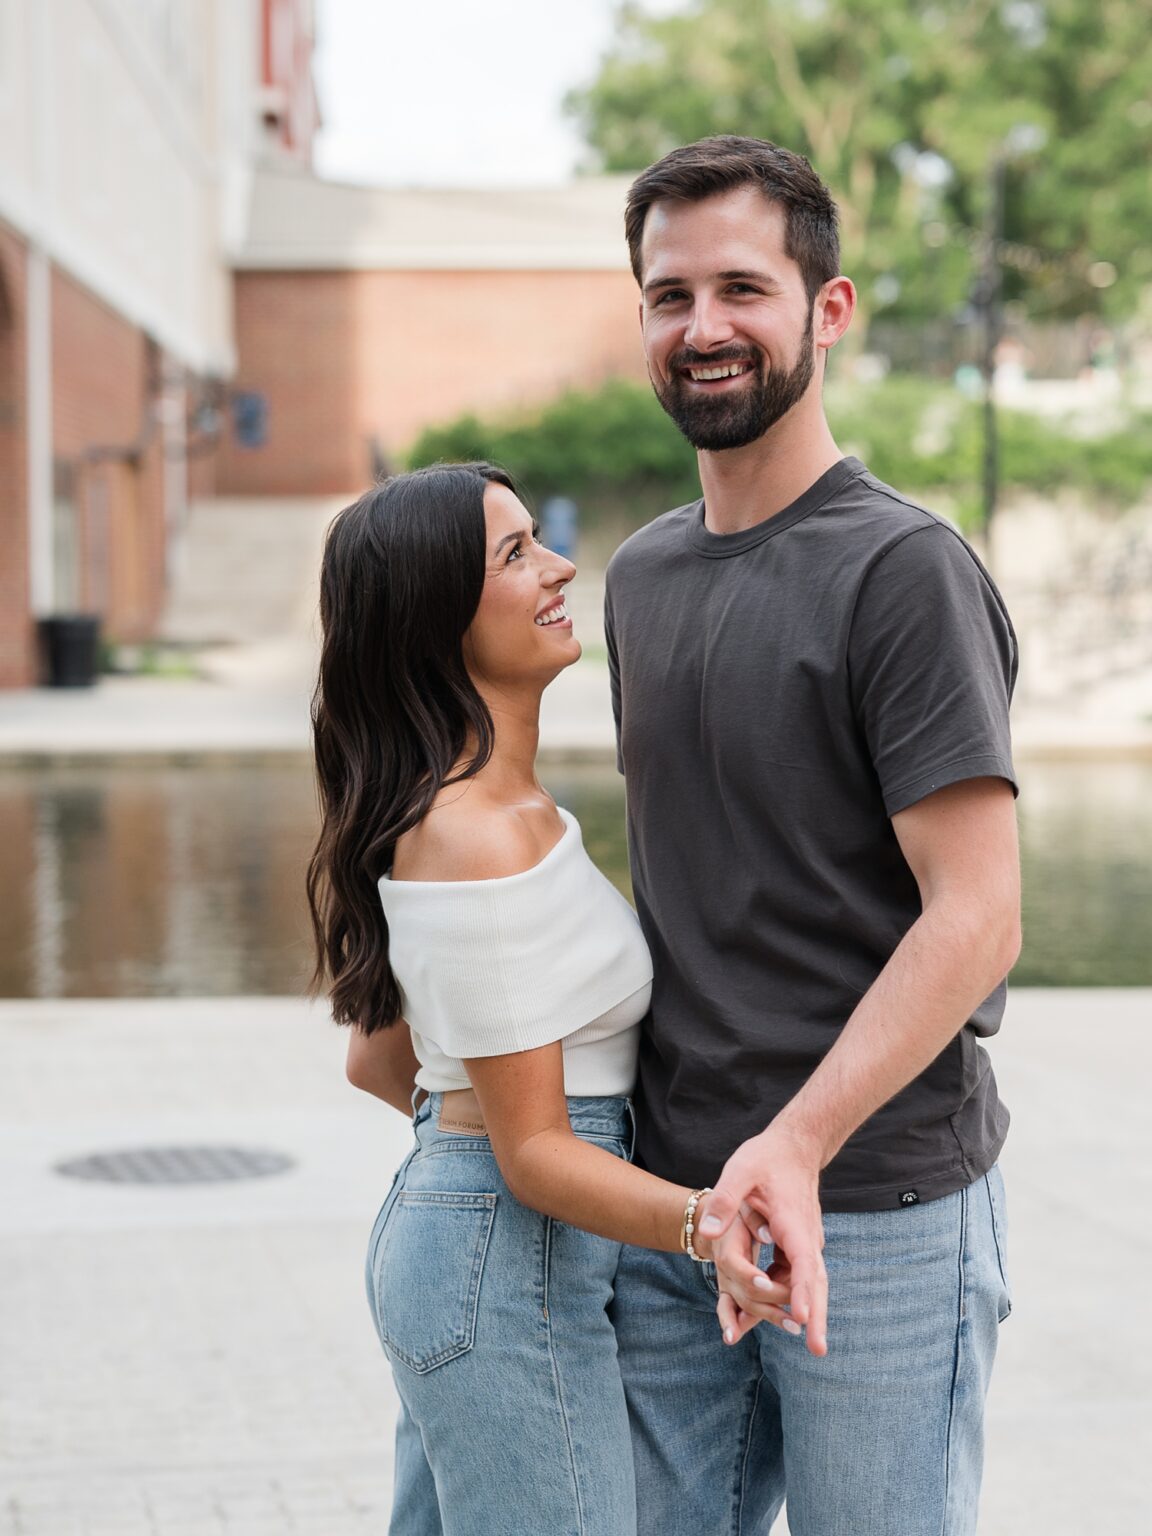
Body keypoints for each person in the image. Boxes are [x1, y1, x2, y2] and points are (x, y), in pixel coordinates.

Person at [603, 136, 1020, 1536]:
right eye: (670, 296)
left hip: (883, 1207)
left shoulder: (905, 575)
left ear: (825, 312)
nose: (704, 327)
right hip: (677, 1210)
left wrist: (798, 1138)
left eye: (742, 287)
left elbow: (978, 917)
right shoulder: (644, 576)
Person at [306, 462, 780, 1536]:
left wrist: (463, 1171)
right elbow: (533, 1155)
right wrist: (710, 1225)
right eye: (515, 554)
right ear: (437, 618)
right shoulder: (478, 834)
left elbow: (383, 1066)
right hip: (504, 1265)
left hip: (476, 1248)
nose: (561, 565)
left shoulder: (462, 806)